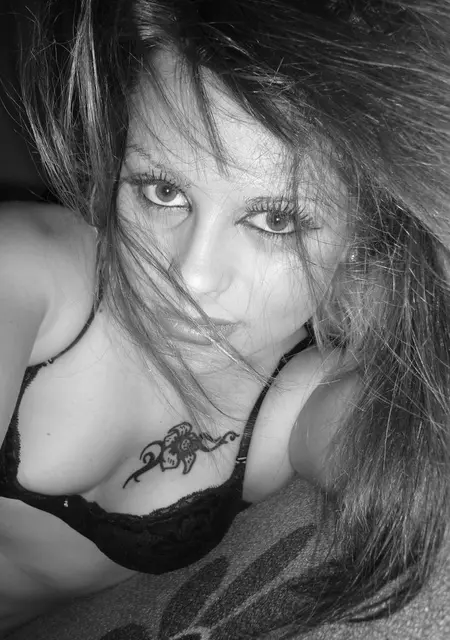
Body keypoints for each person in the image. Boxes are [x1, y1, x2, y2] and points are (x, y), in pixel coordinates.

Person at [1, 0, 449, 635]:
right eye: (163, 191)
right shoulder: (29, 273)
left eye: (276, 220)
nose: (192, 274)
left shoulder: (290, 401)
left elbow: (414, 441)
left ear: (361, 239)